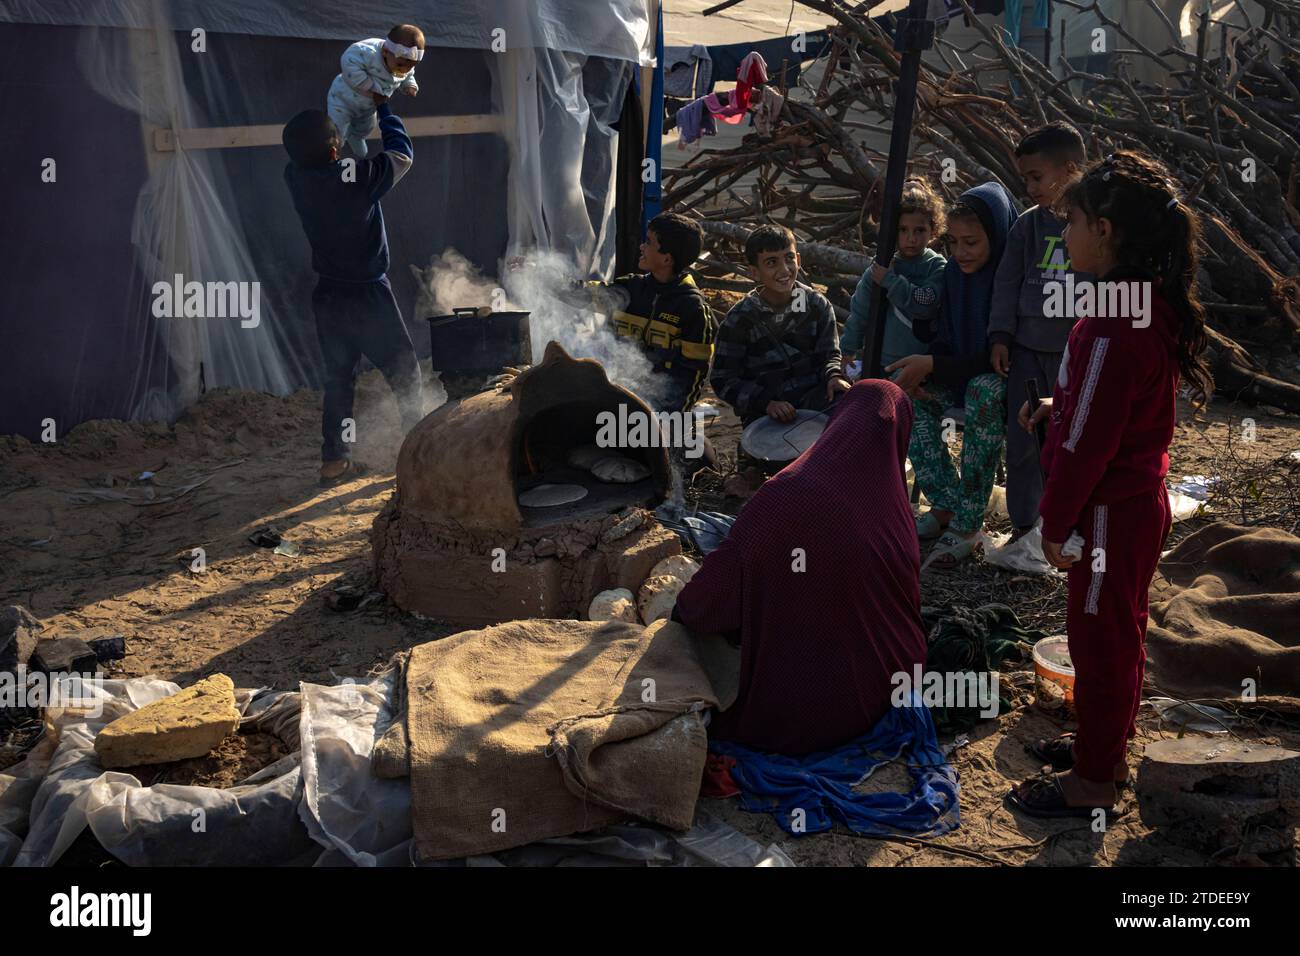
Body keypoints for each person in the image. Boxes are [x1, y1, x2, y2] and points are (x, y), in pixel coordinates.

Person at [1007, 151, 1213, 818]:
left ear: (1105, 232)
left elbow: (1092, 442)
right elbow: (1105, 416)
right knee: (1115, 632)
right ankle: (1106, 746)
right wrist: (1054, 415)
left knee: (1101, 641)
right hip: (1130, 505)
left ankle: (1094, 781)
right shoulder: (1143, 308)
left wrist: (1056, 521)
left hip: (1103, 514)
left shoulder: (1111, 327)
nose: (1061, 236)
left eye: (1069, 222)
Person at [672, 380, 927, 755]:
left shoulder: (784, 495)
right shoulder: (893, 508)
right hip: (895, 683)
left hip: (808, 715)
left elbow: (706, 606)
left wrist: (680, 613)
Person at [282, 102, 423, 486]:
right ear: (334, 151)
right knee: (404, 371)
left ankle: (334, 461)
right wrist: (384, 110)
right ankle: (423, 453)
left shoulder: (294, 177)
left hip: (329, 296)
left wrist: (340, 123)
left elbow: (321, 155)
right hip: (369, 296)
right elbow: (401, 156)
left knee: (339, 379)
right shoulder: (357, 179)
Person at [886, 183, 1018, 567]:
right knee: (907, 394)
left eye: (972, 243)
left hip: (1000, 382)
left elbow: (993, 360)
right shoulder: (955, 276)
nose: (960, 253)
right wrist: (929, 371)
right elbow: (946, 337)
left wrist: (936, 366)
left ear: (995, 237)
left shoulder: (1008, 281)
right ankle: (944, 502)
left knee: (983, 391)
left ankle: (968, 522)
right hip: (955, 374)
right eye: (954, 243)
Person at [988, 123, 1091, 541]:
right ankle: (1026, 525)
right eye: (1024, 178)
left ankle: (1068, 522)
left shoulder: (1095, 227)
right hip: (1027, 355)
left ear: (1068, 170)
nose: (1029, 187)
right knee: (1025, 439)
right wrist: (999, 336)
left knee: (1073, 439)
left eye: (1036, 177)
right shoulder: (1028, 227)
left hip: (1076, 357)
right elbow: (1006, 283)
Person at [710, 224, 850, 428]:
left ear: (799, 260)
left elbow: (829, 354)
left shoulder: (816, 305)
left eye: (789, 258)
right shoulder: (739, 319)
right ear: (755, 272)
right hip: (765, 415)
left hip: (817, 403)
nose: (784, 269)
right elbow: (723, 379)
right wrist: (766, 402)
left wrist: (834, 376)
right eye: (771, 262)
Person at [578, 212, 715, 415]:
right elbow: (582, 293)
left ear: (667, 259)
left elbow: (693, 375)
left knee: (699, 448)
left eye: (649, 242)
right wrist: (547, 276)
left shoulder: (692, 309)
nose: (642, 247)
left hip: (660, 412)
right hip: (611, 401)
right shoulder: (630, 288)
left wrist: (670, 419)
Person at [840, 179, 948, 375]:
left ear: (933, 229)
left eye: (920, 230)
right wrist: (847, 351)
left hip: (922, 366)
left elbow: (926, 302)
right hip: (880, 364)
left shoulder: (936, 267)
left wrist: (891, 281)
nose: (911, 239)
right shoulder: (881, 268)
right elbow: (860, 313)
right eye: (902, 230)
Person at [327, 24, 423, 158]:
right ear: (385, 51)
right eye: (400, 65)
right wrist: (368, 84)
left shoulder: (403, 64)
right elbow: (348, 61)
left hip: (370, 106)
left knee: (368, 126)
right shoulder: (367, 52)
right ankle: (335, 151)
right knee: (337, 129)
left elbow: (408, 75)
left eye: (411, 66)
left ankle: (356, 137)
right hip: (343, 98)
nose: (404, 70)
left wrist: (409, 85)